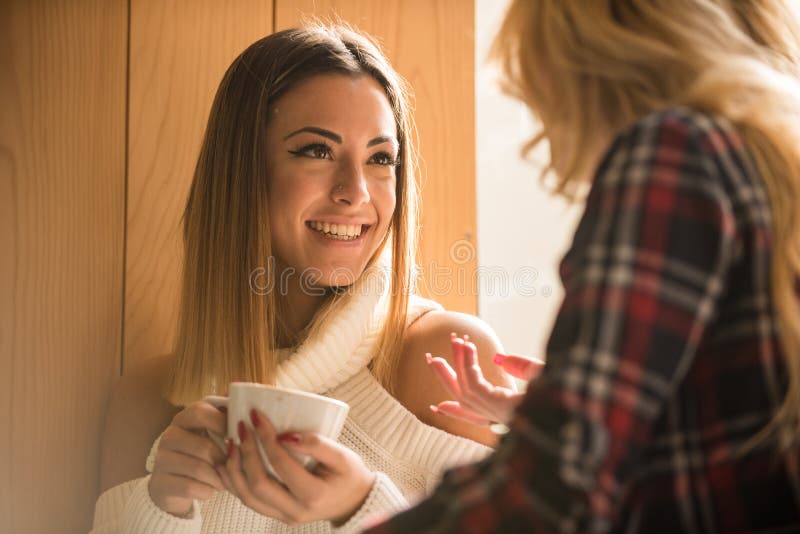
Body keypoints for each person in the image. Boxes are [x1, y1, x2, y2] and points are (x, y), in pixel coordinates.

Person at [366, 0, 800, 532]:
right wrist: (598, 405)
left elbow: (555, 484)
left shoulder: (675, 155)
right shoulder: (765, 167)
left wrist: (568, 424)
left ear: (581, 63)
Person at [91, 24, 513, 533]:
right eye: (316, 150)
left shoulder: (443, 358)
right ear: (243, 173)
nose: (356, 192)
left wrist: (361, 507)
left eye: (381, 158)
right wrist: (163, 511)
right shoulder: (148, 402)